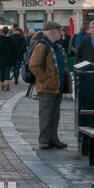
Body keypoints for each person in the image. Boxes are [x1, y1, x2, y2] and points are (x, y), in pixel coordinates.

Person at [28, 21, 71, 150]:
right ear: (53, 31)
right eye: (59, 30)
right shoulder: (42, 46)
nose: (61, 33)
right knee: (46, 114)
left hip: (57, 86)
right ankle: (44, 140)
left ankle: (53, 138)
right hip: (47, 87)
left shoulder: (56, 45)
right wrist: (45, 80)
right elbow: (33, 65)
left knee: (54, 114)